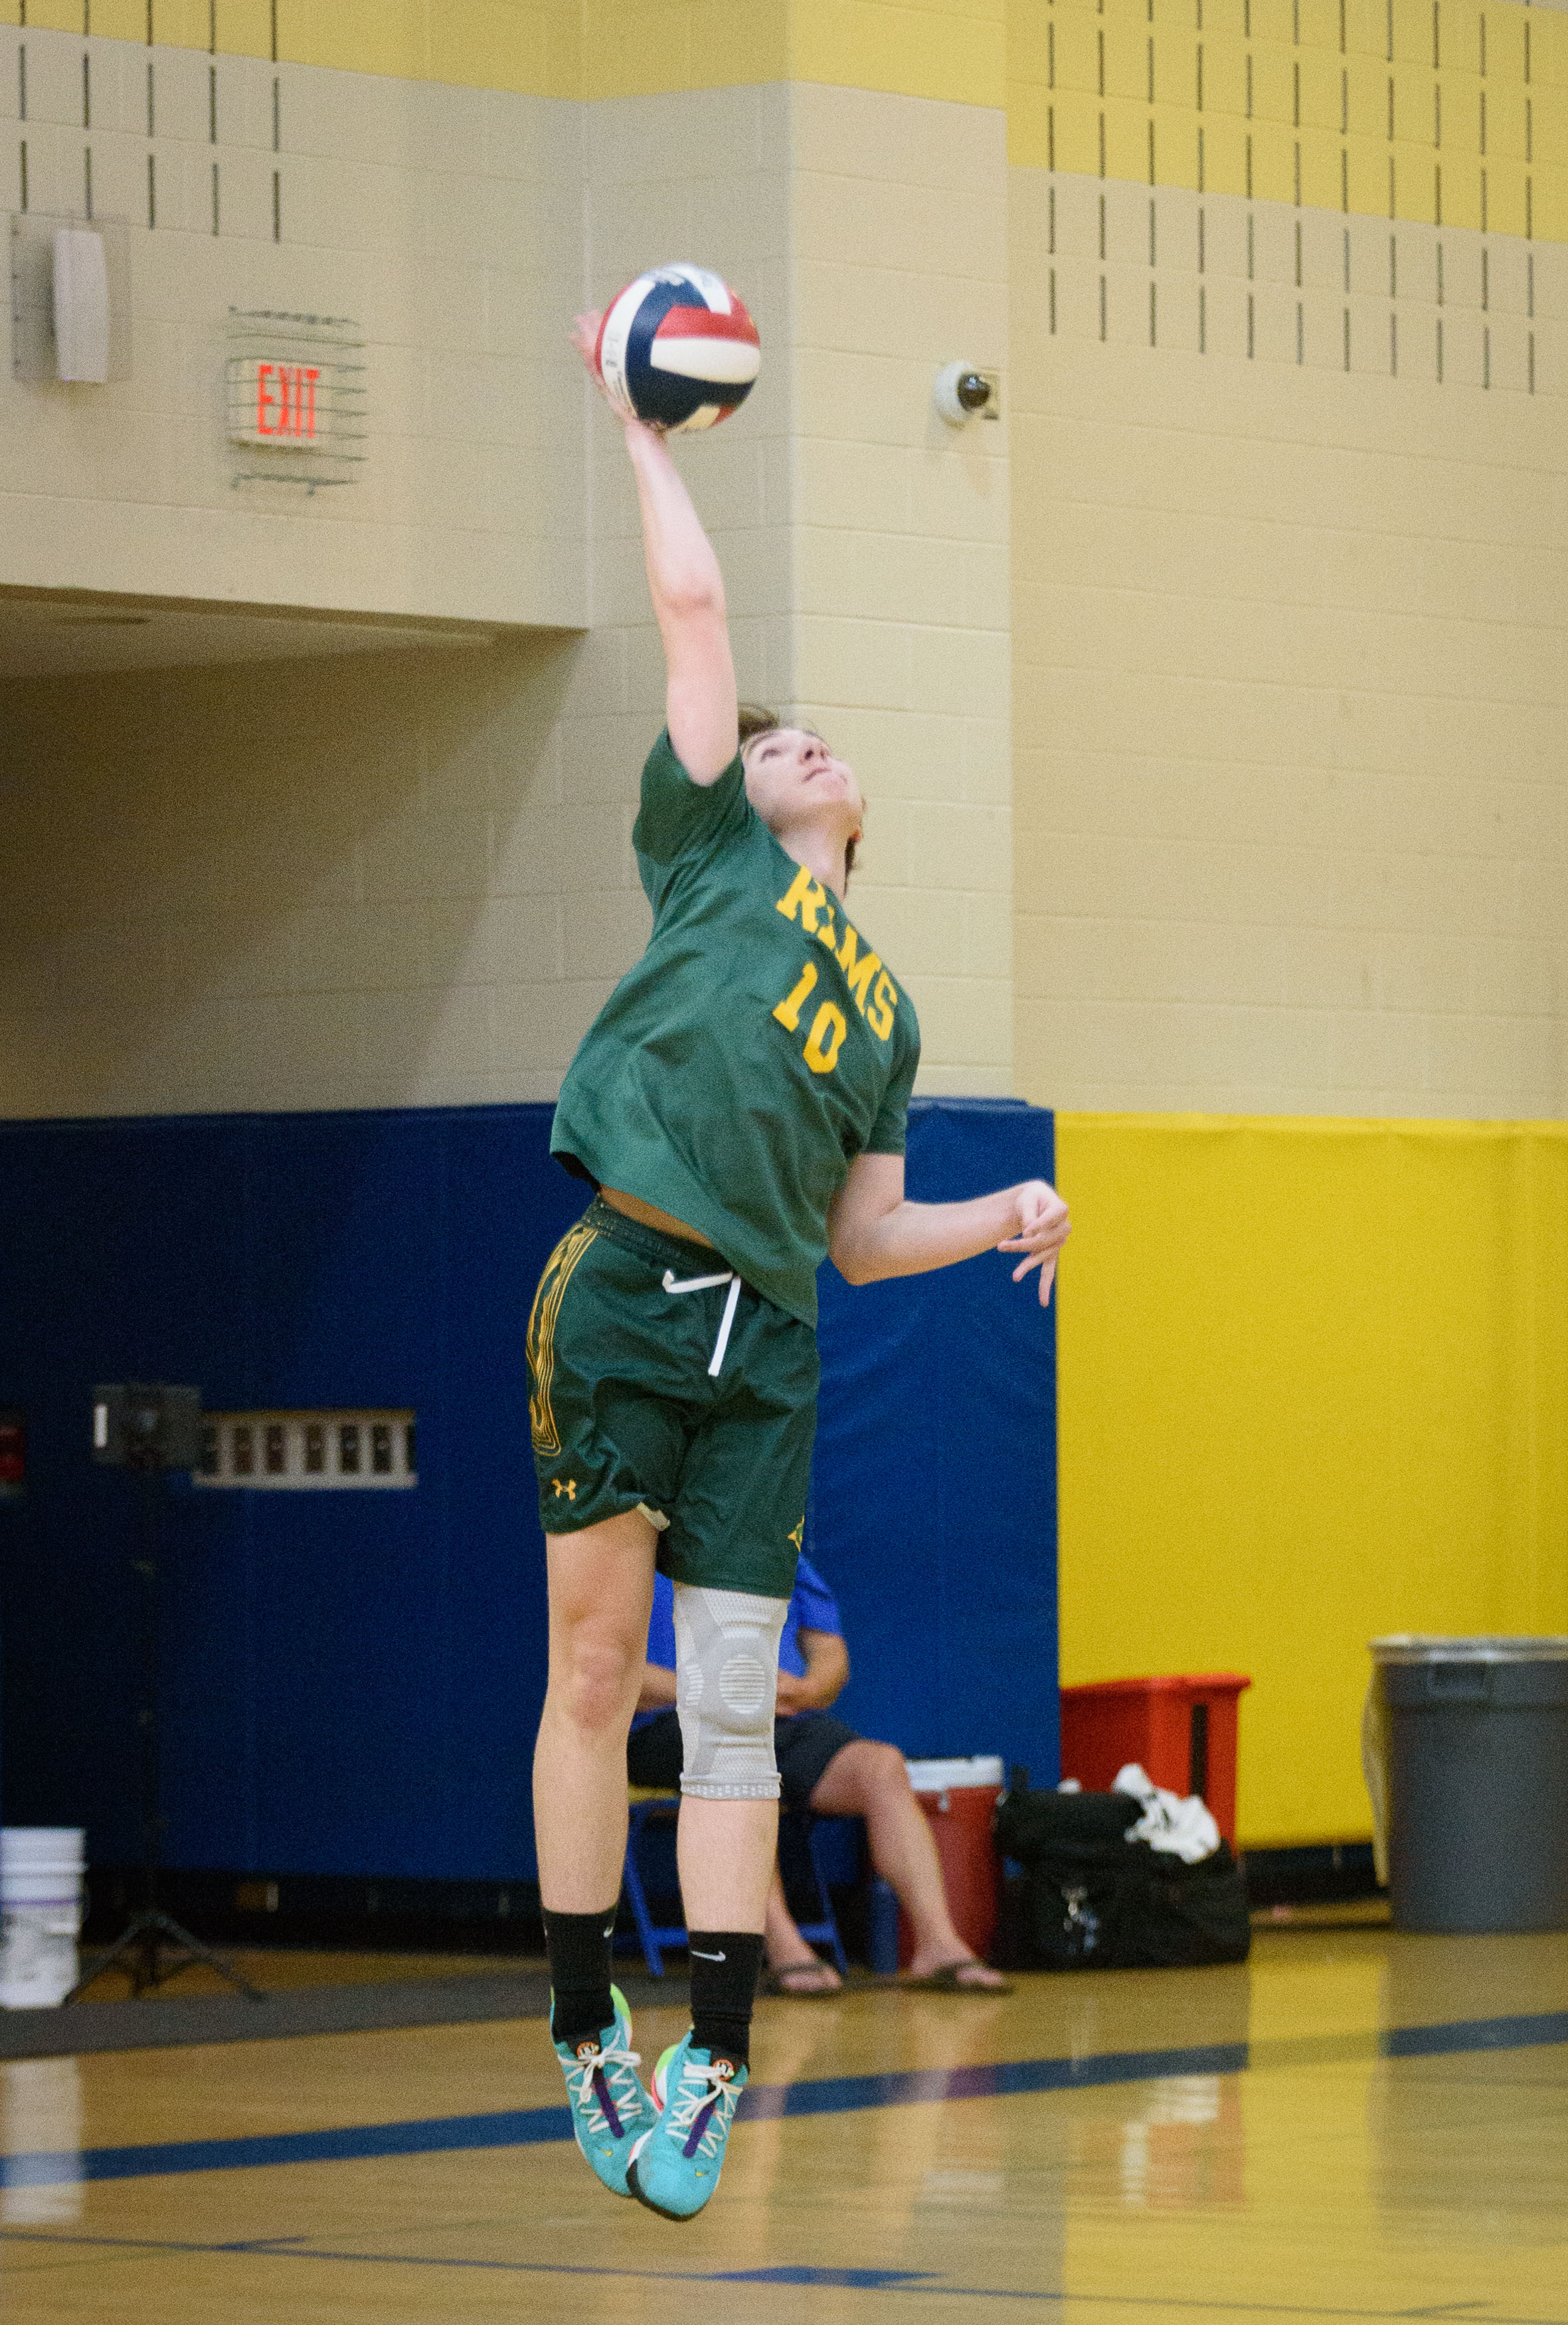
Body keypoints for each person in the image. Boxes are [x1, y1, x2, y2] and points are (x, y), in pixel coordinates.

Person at [528, 309, 1071, 2224]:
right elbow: (693, 622)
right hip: (624, 1278)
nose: (792, 735)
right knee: (599, 1660)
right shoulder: (704, 854)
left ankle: (716, 2056)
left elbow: (860, 1230)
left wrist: (998, 1216)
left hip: (771, 1333)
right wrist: (643, 426)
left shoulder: (888, 1008)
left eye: (813, 742)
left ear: (855, 816)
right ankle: (583, 2007)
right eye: (773, 736)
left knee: (739, 1705)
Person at [629, 1555, 1009, 1994]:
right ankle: (783, 1947)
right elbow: (610, 1668)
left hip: (778, 1719)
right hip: (666, 1723)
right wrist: (713, 1691)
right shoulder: (635, 1549)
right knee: (744, 1763)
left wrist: (807, 1690)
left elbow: (830, 1655)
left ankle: (937, 1946)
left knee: (881, 1766)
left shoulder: (772, 1543)